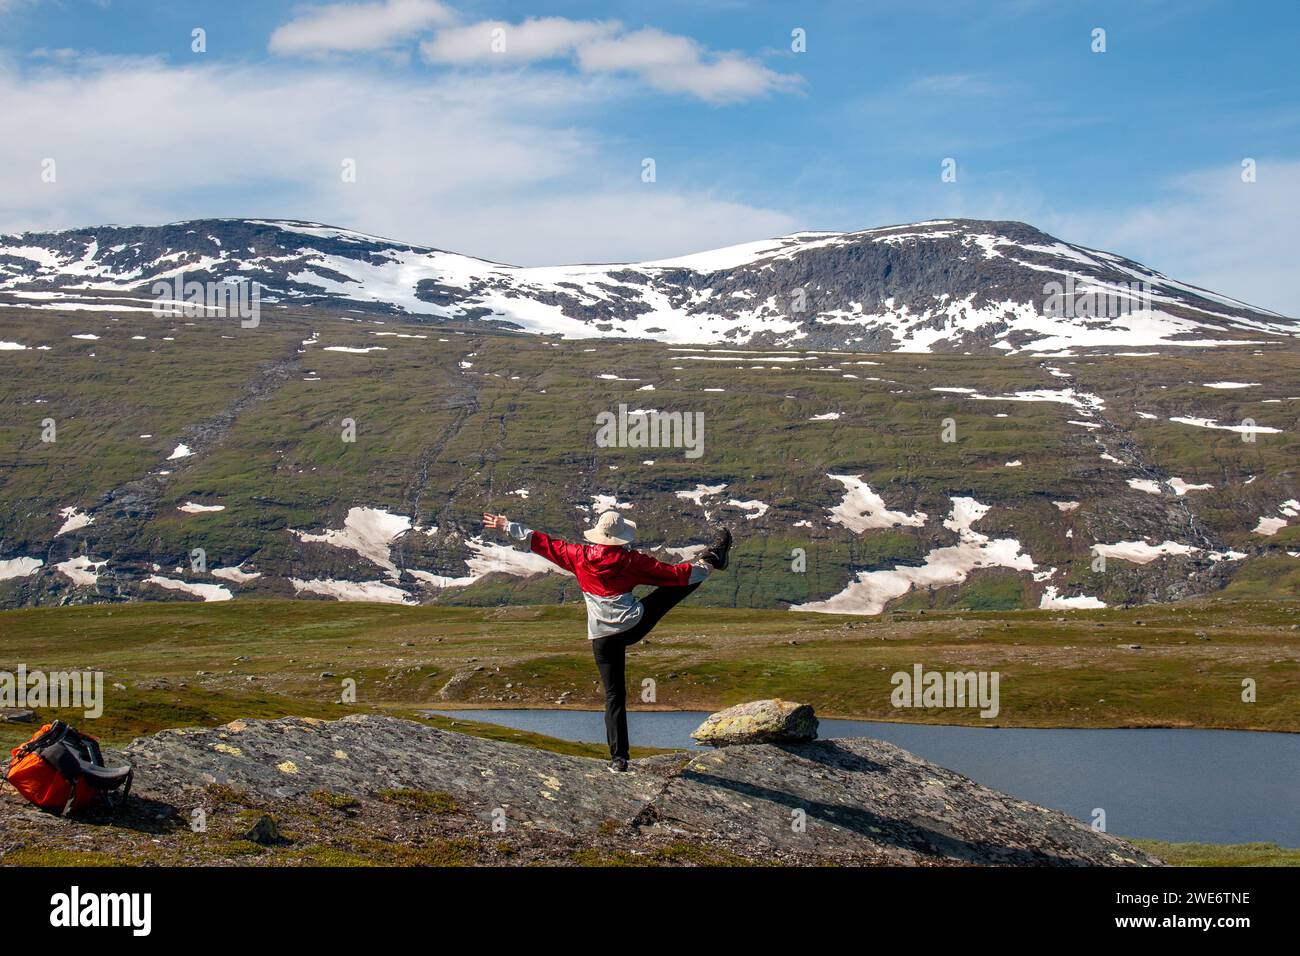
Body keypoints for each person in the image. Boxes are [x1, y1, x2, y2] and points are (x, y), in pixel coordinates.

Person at [483, 510, 732, 772]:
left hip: (602, 638)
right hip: (632, 625)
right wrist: (704, 567)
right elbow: (674, 575)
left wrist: (506, 525)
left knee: (614, 696)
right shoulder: (631, 561)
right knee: (670, 588)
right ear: (621, 538)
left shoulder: (577, 556)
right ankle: (714, 558)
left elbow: (542, 542)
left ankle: (619, 759)